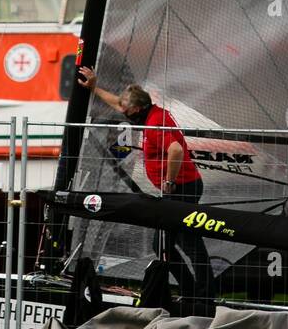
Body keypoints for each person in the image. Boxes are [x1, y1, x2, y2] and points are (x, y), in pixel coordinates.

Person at [77, 68, 215, 314]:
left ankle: (203, 297)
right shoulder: (143, 113)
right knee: (167, 244)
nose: (122, 109)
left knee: (185, 243)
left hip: (183, 188)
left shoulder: (154, 123)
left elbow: (176, 150)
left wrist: (170, 182)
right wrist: (94, 86)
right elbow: (118, 104)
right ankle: (194, 291)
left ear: (137, 108)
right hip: (178, 189)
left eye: (126, 106)